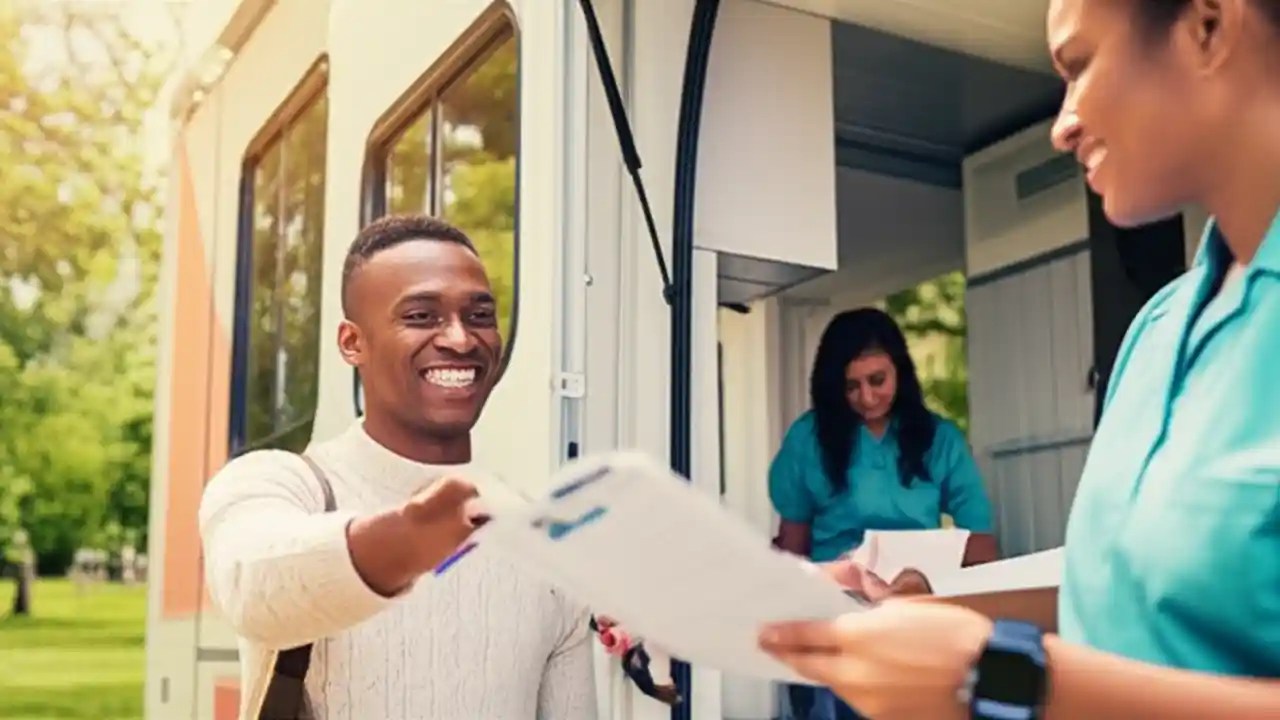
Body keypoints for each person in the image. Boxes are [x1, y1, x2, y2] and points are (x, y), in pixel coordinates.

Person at [758, 1, 1280, 718]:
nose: (1062, 125)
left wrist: (1005, 677)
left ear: (1209, 27)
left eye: (1079, 65)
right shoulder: (1158, 328)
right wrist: (930, 606)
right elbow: (1119, 591)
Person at [199, 214, 596, 719]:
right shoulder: (282, 482)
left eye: (479, 315)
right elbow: (250, 588)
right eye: (421, 316)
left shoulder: (542, 546)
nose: (460, 339)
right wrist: (407, 541)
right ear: (351, 342)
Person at [768, 308, 997, 720]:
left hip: (916, 612)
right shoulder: (808, 439)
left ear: (900, 373)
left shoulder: (938, 439)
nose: (867, 397)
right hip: (836, 613)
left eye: (877, 380)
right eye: (851, 386)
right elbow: (794, 549)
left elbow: (979, 540)